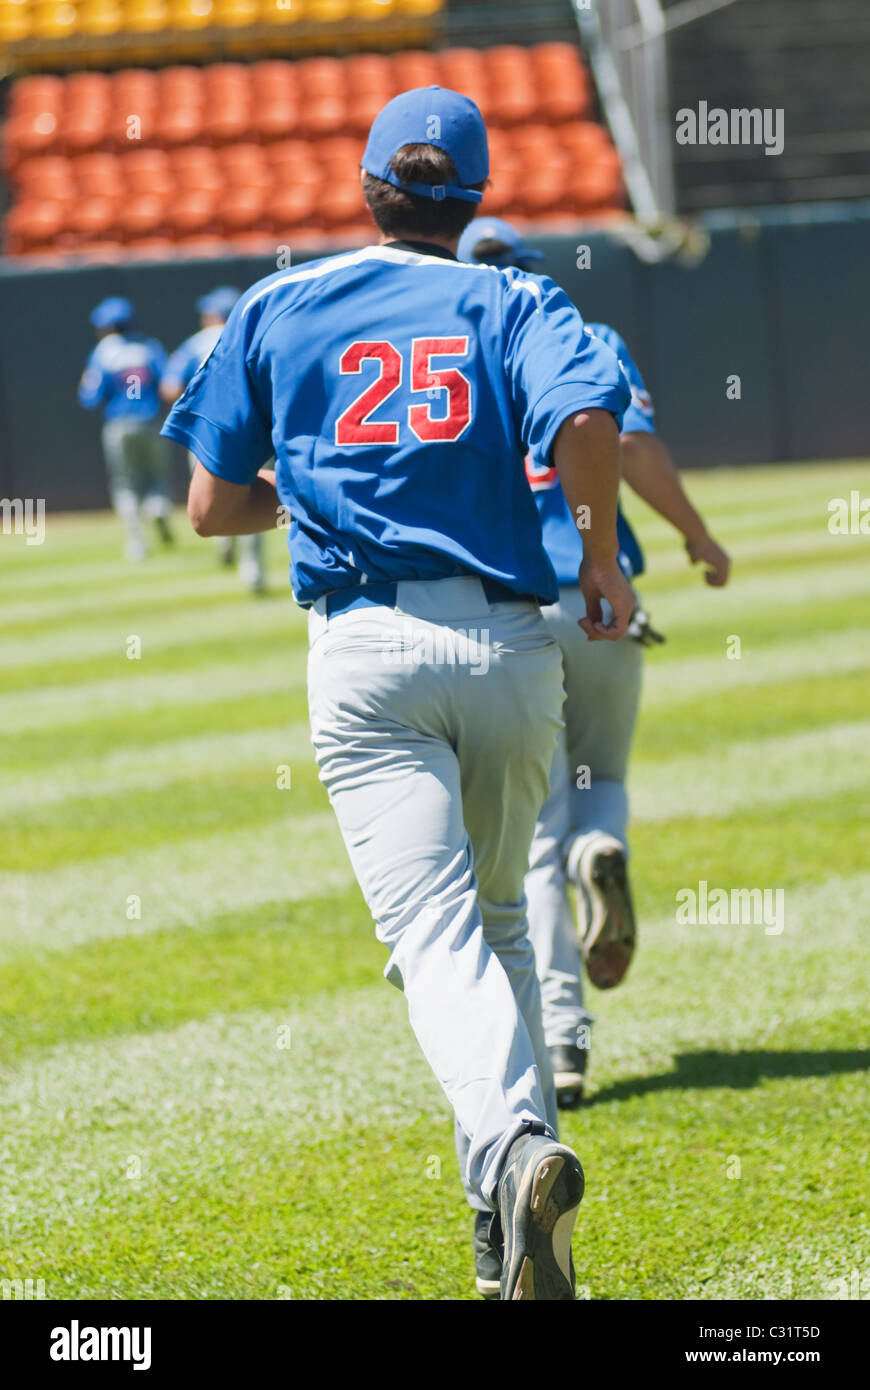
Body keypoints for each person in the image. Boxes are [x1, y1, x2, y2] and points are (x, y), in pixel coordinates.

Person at [162, 86, 636, 1300]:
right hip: (507, 640)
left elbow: (210, 508)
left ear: (368, 185)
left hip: (366, 646)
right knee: (500, 926)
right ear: (474, 198)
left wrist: (318, 498)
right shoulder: (514, 295)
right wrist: (594, 550)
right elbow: (587, 413)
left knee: (437, 939)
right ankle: (504, 1238)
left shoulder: (277, 300)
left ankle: (516, 1153)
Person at [459, 219, 731, 1110]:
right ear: (533, 270)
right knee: (601, 776)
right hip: (602, 600)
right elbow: (633, 445)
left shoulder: (441, 353)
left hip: (504, 612)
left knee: (536, 833)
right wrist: (695, 535)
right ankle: (604, 845)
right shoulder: (577, 335)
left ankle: (565, 1042)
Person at [161, 287, 267, 593]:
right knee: (250, 495)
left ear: (211, 315)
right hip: (252, 432)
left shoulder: (195, 343)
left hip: (206, 433)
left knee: (213, 495)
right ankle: (253, 570)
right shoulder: (253, 336)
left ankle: (223, 538)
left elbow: (169, 386)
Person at [78, 296, 174, 561]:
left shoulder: (103, 352)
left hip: (119, 424)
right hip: (150, 422)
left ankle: (136, 543)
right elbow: (168, 385)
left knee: (125, 485)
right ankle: (157, 507)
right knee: (156, 477)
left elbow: (90, 396)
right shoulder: (149, 348)